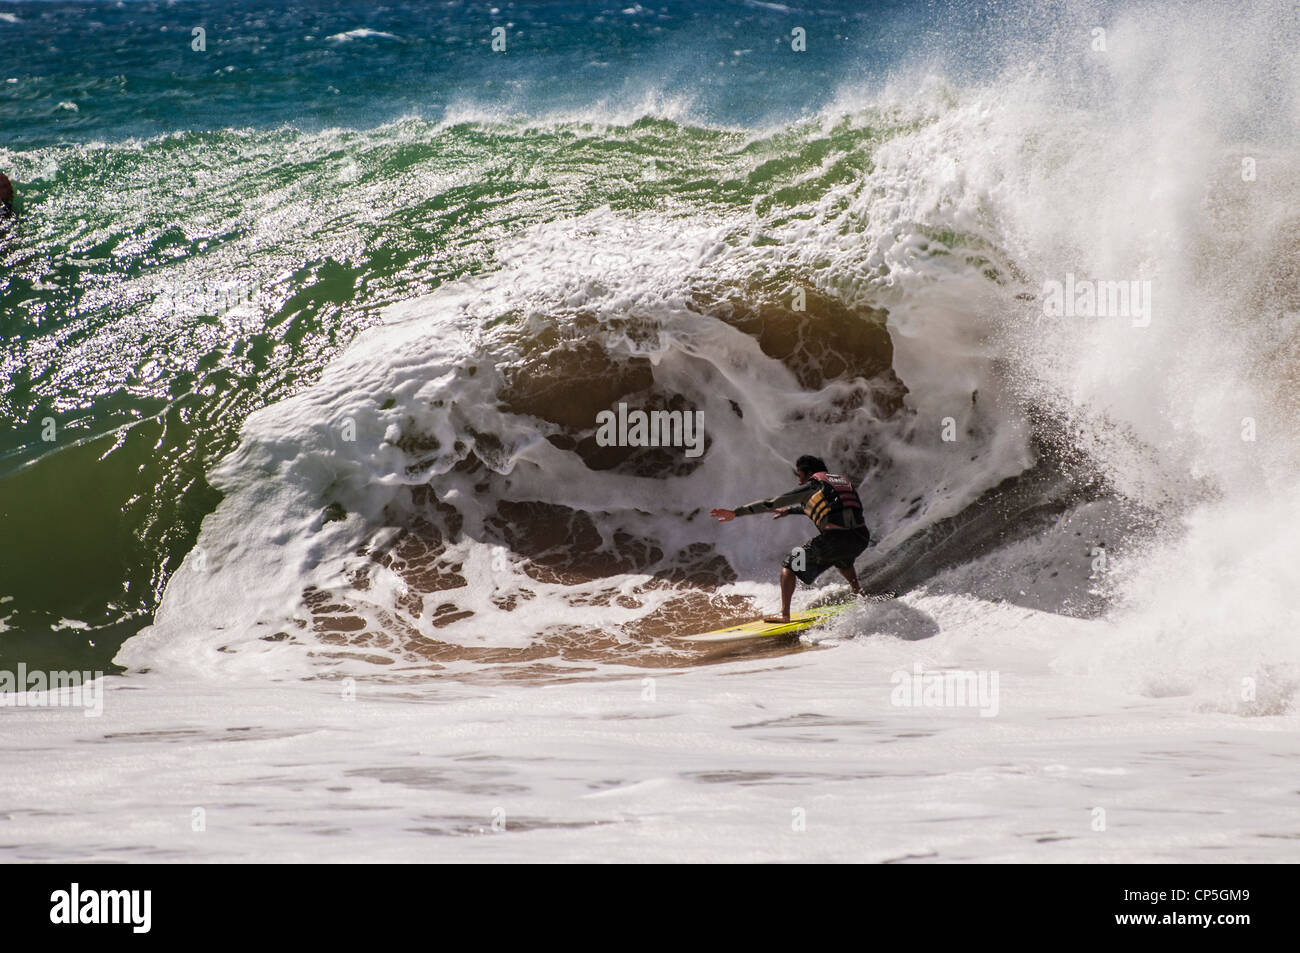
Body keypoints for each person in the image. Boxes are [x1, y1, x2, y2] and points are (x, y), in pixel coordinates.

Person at [711, 454, 870, 622]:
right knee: (843, 560)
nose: (799, 481)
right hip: (860, 538)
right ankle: (858, 593)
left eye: (800, 475)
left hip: (834, 539)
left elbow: (772, 503)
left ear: (808, 473)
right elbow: (830, 508)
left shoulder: (813, 485)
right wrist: (790, 511)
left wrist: (736, 513)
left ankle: (784, 614)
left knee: (791, 563)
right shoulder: (840, 483)